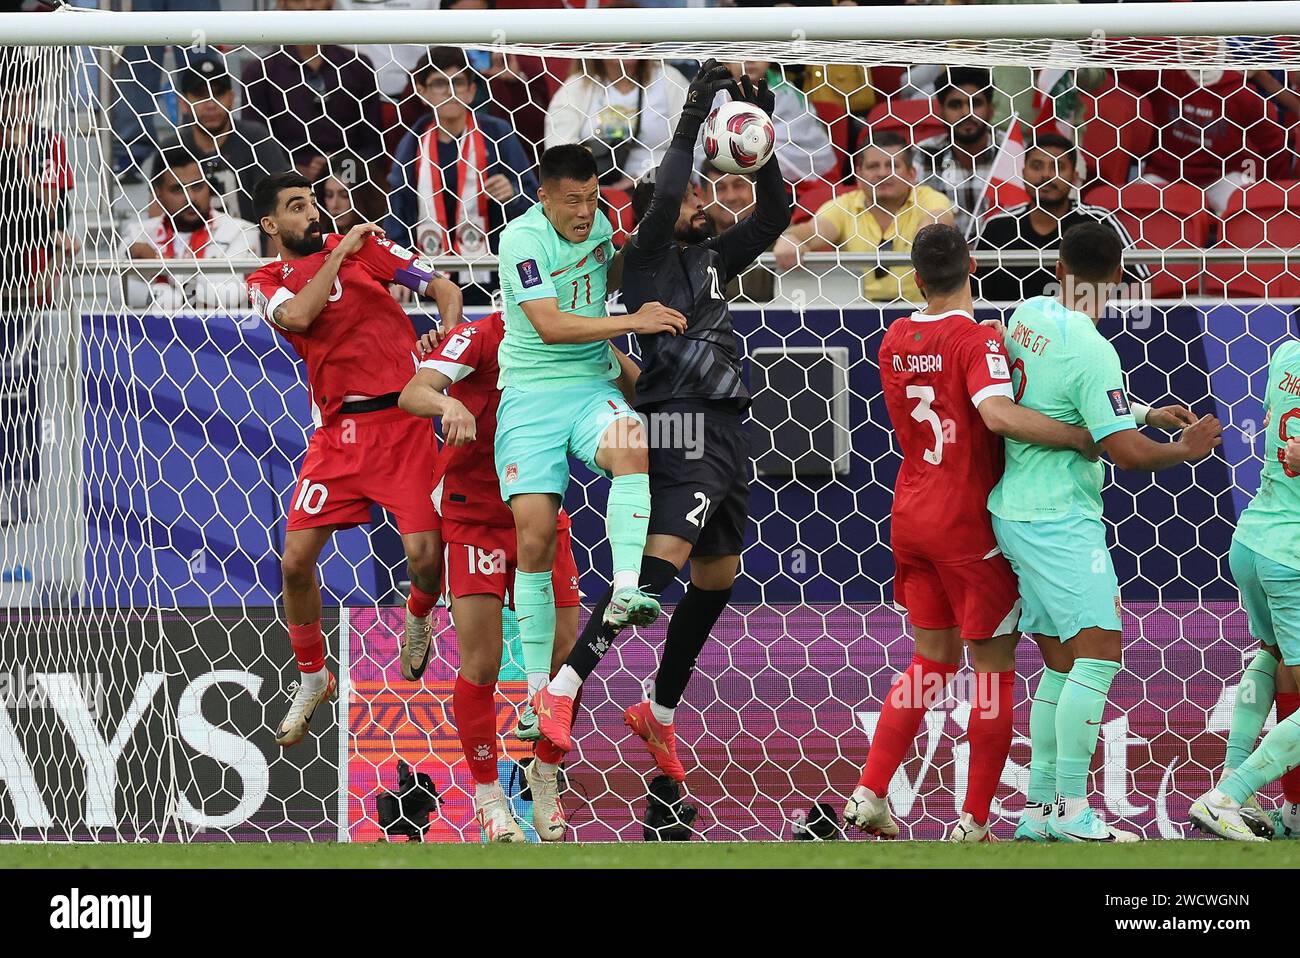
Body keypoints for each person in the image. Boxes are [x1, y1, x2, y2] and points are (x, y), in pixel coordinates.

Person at [532, 62, 790, 787]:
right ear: (654, 211)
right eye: (690, 198)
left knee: (717, 575)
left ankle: (661, 711)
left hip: (724, 427)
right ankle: (564, 690)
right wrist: (697, 109)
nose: (703, 203)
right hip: (678, 421)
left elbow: (773, 218)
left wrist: (762, 139)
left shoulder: (712, 257)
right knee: (660, 566)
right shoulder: (643, 257)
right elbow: (669, 187)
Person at [845, 222, 1096, 843]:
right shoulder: (977, 337)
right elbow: (995, 414)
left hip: (912, 512)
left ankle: (870, 792)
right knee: (992, 669)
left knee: (931, 659)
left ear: (918, 277)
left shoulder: (894, 336)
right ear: (974, 267)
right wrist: (1079, 436)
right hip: (967, 523)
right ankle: (974, 820)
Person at [987, 221, 1222, 842]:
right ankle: (1074, 811)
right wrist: (1185, 447)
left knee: (1061, 667)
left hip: (1015, 509)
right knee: (1098, 657)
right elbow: (1125, 453)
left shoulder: (1027, 312)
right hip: (1061, 519)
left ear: (1059, 262)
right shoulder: (1093, 349)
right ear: (1118, 275)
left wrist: (1141, 410)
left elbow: (1059, 398)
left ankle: (1038, 811)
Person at [491, 143, 688, 808]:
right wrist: (634, 322)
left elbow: (625, 275)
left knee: (635, 442)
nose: (584, 212)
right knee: (536, 539)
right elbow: (547, 325)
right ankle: (534, 699)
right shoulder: (522, 238)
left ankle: (629, 589)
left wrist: (641, 377)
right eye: (571, 201)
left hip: (589, 386)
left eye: (591, 198)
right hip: (530, 395)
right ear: (544, 196)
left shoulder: (605, 226)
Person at [244, 172, 463, 748]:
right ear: (271, 225)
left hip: (403, 423)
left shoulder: (367, 249)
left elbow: (443, 288)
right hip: (339, 435)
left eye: (313, 203)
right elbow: (297, 319)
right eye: (296, 207)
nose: (312, 213)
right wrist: (337, 251)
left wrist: (442, 342)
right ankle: (314, 676)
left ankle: (418, 619)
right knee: (294, 563)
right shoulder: (266, 279)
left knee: (424, 555)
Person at [398, 312, 607, 842]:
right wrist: (448, 402)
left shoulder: (572, 336)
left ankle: (545, 778)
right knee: (483, 661)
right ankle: (490, 797)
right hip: (474, 518)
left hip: (538, 512)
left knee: (565, 662)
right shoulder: (482, 334)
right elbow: (413, 392)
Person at [1190, 338, 1300, 842]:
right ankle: (1229, 794)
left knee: (1273, 654)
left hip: (1253, 537)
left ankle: (1242, 794)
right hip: (1292, 555)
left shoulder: (1284, 355)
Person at [385, 47, 538, 299]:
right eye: (438, 84)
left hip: (496, 274)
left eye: (457, 82)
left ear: (471, 90)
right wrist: (400, 273)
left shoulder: (498, 134)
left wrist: (513, 196)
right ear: (422, 92)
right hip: (428, 278)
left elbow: (535, 205)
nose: (450, 91)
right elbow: (397, 215)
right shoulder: (412, 141)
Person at [774, 132, 953, 303]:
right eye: (873, 166)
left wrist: (928, 234)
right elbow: (813, 230)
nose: (883, 173)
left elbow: (938, 222)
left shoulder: (930, 198)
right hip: (859, 316)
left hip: (921, 311)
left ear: (912, 174)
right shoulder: (844, 206)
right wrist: (791, 238)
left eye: (892, 165)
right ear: (858, 176)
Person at [974, 133, 1147, 303]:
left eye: (1058, 167)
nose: (1047, 175)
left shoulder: (1098, 222)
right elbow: (973, 293)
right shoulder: (998, 226)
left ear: (1073, 176)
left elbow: (1140, 281)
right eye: (1037, 166)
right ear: (1023, 173)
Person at [1128, 42, 1287, 215]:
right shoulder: (1164, 77)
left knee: (1249, 215)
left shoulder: (1242, 93)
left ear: (1220, 45)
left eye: (1205, 39)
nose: (1197, 45)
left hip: (1222, 176)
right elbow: (1120, 70)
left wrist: (1271, 188)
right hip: (1165, 173)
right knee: (1136, 209)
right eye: (1189, 38)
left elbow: (1275, 146)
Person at [241, 0, 385, 183]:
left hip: (353, 185)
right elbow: (256, 147)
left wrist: (341, 171)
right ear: (282, 3)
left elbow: (373, 146)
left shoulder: (358, 66)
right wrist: (295, 171)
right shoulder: (259, 72)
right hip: (284, 186)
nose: (308, 5)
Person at [121, 146, 259, 310]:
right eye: (178, 189)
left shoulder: (241, 231)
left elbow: (231, 297)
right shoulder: (137, 234)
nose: (190, 198)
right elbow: (124, 296)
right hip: (153, 334)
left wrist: (160, 264)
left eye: (198, 187)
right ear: (158, 193)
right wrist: (194, 295)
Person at [172, 56, 290, 224]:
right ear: (183, 103)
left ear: (232, 98)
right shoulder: (172, 148)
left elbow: (282, 211)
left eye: (218, 94)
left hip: (253, 248)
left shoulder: (256, 140)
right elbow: (157, 217)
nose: (211, 104)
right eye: (201, 95)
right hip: (190, 249)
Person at [544, 56, 689, 190]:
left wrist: (644, 178)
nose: (625, 40)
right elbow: (560, 155)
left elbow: (693, 147)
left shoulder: (669, 79)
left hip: (660, 187)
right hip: (596, 193)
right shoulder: (576, 87)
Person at [913, 67, 1025, 238]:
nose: (966, 113)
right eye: (955, 105)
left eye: (975, 103)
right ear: (941, 112)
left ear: (991, 110)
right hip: (944, 259)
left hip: (1004, 256)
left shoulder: (1012, 151)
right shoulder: (923, 154)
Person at [717, 62, 837, 185]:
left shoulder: (788, 94)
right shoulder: (714, 96)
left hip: (789, 185)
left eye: (757, 51)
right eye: (740, 52)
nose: (749, 59)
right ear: (726, 62)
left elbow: (803, 143)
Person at [699, 164, 775, 302]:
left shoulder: (777, 240)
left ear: (755, 189)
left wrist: (795, 237)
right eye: (720, 188)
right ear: (703, 197)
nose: (731, 197)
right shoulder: (691, 245)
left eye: (739, 185)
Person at [314, 152, 388, 234]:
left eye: (344, 195)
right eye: (329, 195)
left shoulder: (386, 233)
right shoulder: (319, 239)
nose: (334, 205)